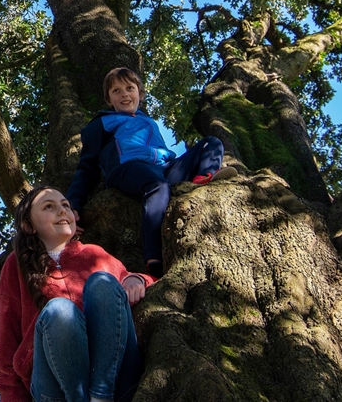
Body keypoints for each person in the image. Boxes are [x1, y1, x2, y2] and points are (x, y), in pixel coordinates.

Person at [65, 67, 237, 278]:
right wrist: (73, 204)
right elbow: (87, 166)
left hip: (164, 167)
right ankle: (154, 257)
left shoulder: (148, 121)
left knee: (211, 143)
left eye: (129, 88)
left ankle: (202, 179)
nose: (124, 94)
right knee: (157, 186)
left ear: (140, 93)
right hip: (128, 166)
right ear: (109, 100)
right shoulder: (102, 122)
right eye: (116, 91)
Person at [0, 185, 155, 402]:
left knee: (102, 282)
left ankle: (101, 396)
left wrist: (137, 279)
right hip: (53, 387)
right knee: (59, 310)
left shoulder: (94, 254)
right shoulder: (16, 266)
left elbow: (134, 282)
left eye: (66, 205)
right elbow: (6, 344)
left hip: (116, 375)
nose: (62, 211)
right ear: (28, 225)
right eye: (49, 206)